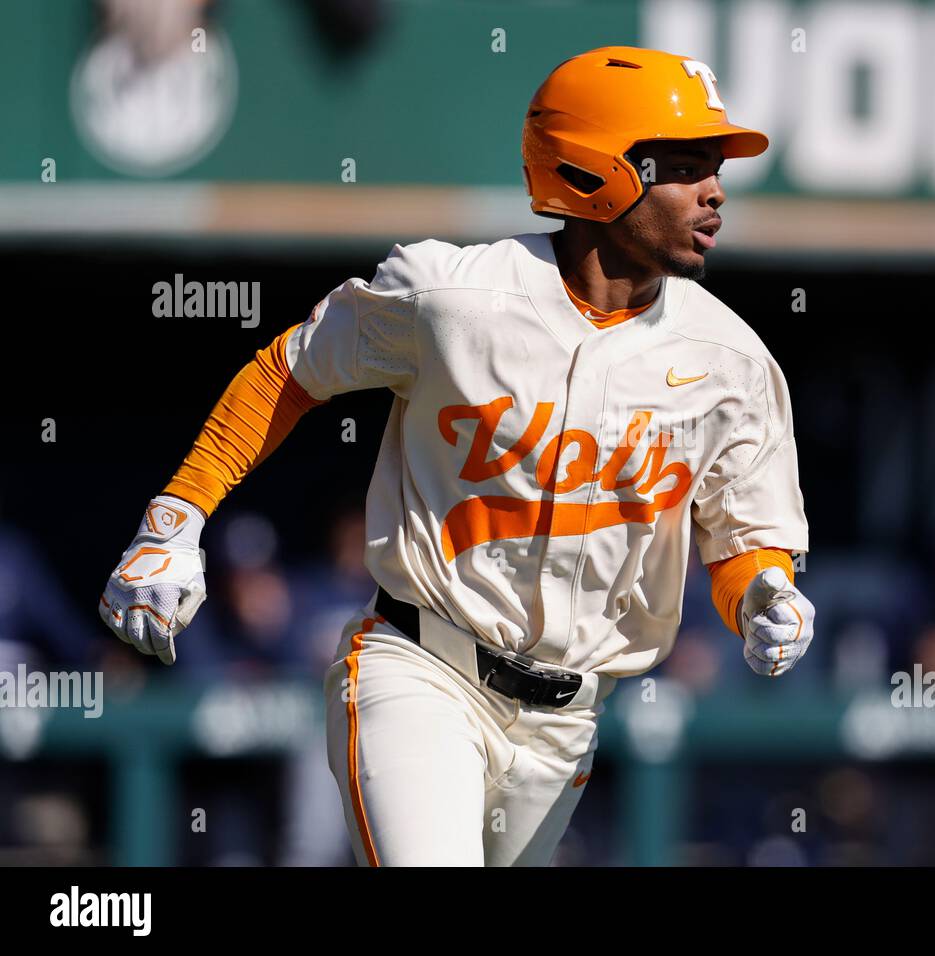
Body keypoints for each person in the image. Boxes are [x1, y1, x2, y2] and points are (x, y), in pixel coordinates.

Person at [98, 45, 815, 866]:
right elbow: (290, 371)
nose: (715, 190)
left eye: (714, 166)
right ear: (594, 174)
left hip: (569, 720)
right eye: (684, 165)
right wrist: (174, 517)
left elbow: (742, 537)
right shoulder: (452, 296)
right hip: (421, 669)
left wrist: (763, 591)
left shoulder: (734, 359)